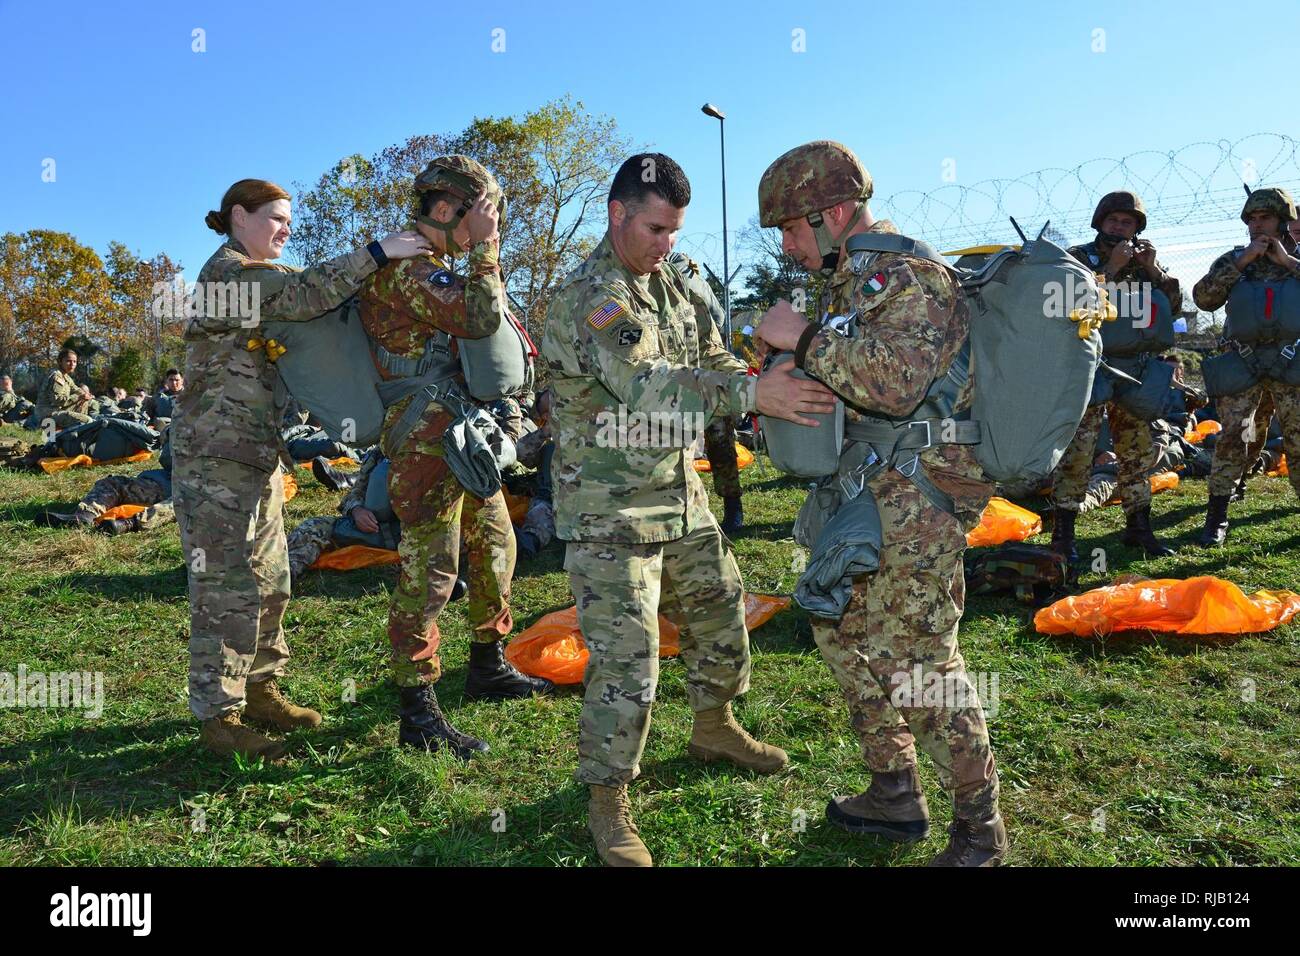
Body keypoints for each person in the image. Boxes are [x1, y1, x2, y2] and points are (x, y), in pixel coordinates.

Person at [541, 152, 827, 867]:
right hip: (609, 506)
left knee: (722, 616)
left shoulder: (674, 282)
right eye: (656, 228)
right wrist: (751, 397)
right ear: (618, 215)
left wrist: (760, 376)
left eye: (674, 230)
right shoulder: (594, 296)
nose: (667, 243)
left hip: (676, 492)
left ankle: (714, 725)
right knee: (628, 659)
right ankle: (608, 797)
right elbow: (648, 383)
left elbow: (709, 355)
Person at [753, 140, 1005, 866]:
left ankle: (979, 830)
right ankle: (894, 792)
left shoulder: (907, 276)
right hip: (870, 484)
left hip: (922, 492)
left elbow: (894, 383)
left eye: (793, 229)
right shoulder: (850, 281)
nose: (789, 245)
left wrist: (798, 338)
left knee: (916, 658)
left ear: (832, 213)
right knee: (841, 632)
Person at [175, 176, 430, 760]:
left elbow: (320, 303)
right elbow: (308, 295)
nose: (286, 228)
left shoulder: (268, 277)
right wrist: (378, 251)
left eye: (289, 220)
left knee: (269, 576)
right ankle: (220, 716)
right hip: (215, 456)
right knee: (225, 583)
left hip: (257, 452)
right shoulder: (228, 278)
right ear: (239, 217)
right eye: (275, 218)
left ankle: (261, 688)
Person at [357, 156, 552, 761]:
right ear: (449, 211)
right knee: (431, 565)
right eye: (483, 214)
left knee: (496, 543)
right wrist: (488, 250)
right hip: (423, 437)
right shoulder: (409, 272)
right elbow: (478, 315)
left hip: (456, 432)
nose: (488, 225)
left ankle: (487, 663)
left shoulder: (432, 268)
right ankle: (417, 709)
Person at [1052, 192, 1184, 562]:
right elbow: (1065, 306)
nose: (1120, 227)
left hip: (1135, 369)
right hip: (1089, 366)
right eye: (1114, 221)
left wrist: (1154, 270)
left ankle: (1138, 528)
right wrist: (1109, 268)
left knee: (1136, 451)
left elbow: (1175, 309)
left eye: (1128, 223)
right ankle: (1064, 537)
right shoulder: (1078, 258)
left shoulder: (1145, 265)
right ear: (1100, 222)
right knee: (1078, 453)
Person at [1193, 187, 1300, 545]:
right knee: (1233, 437)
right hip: (1243, 362)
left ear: (1283, 222)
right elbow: (1203, 298)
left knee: (1298, 441)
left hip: (1292, 361)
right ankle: (1217, 516)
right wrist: (1241, 264)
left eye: (1265, 218)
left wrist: (1287, 262)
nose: (1257, 226)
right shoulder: (1233, 260)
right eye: (1251, 220)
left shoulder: (1296, 261)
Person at [666, 251, 746, 533]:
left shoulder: (688, 278)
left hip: (703, 363)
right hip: (671, 372)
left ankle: (732, 503)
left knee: (719, 436)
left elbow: (715, 327)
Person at [34, 348, 95, 430]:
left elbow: (76, 389)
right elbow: (57, 400)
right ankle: (62, 432)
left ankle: (71, 430)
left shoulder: (66, 376)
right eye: (68, 361)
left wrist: (86, 395)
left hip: (56, 410)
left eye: (75, 361)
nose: (72, 364)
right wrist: (79, 397)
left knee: (84, 401)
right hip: (47, 413)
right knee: (87, 421)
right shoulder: (57, 376)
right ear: (60, 362)